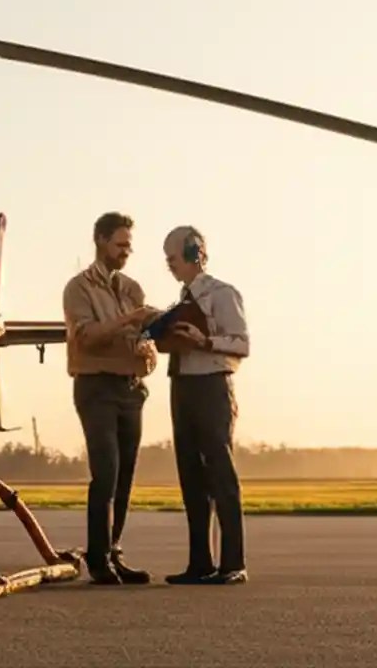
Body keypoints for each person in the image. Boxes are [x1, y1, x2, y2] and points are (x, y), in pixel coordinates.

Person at [62, 211, 161, 585]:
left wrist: (147, 348)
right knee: (106, 472)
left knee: (125, 476)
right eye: (120, 245)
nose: (125, 253)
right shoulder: (78, 289)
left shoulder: (132, 287)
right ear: (100, 241)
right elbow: (86, 337)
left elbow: (143, 338)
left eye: (129, 247)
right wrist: (130, 319)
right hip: (95, 387)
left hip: (130, 388)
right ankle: (98, 557)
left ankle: (114, 550)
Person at [160, 225, 250, 585]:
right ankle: (200, 561)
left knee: (220, 474)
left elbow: (242, 343)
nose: (169, 265)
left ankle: (233, 563)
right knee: (190, 478)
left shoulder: (223, 293)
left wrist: (205, 340)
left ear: (194, 254)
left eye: (173, 258)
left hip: (212, 386)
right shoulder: (181, 301)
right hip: (181, 386)